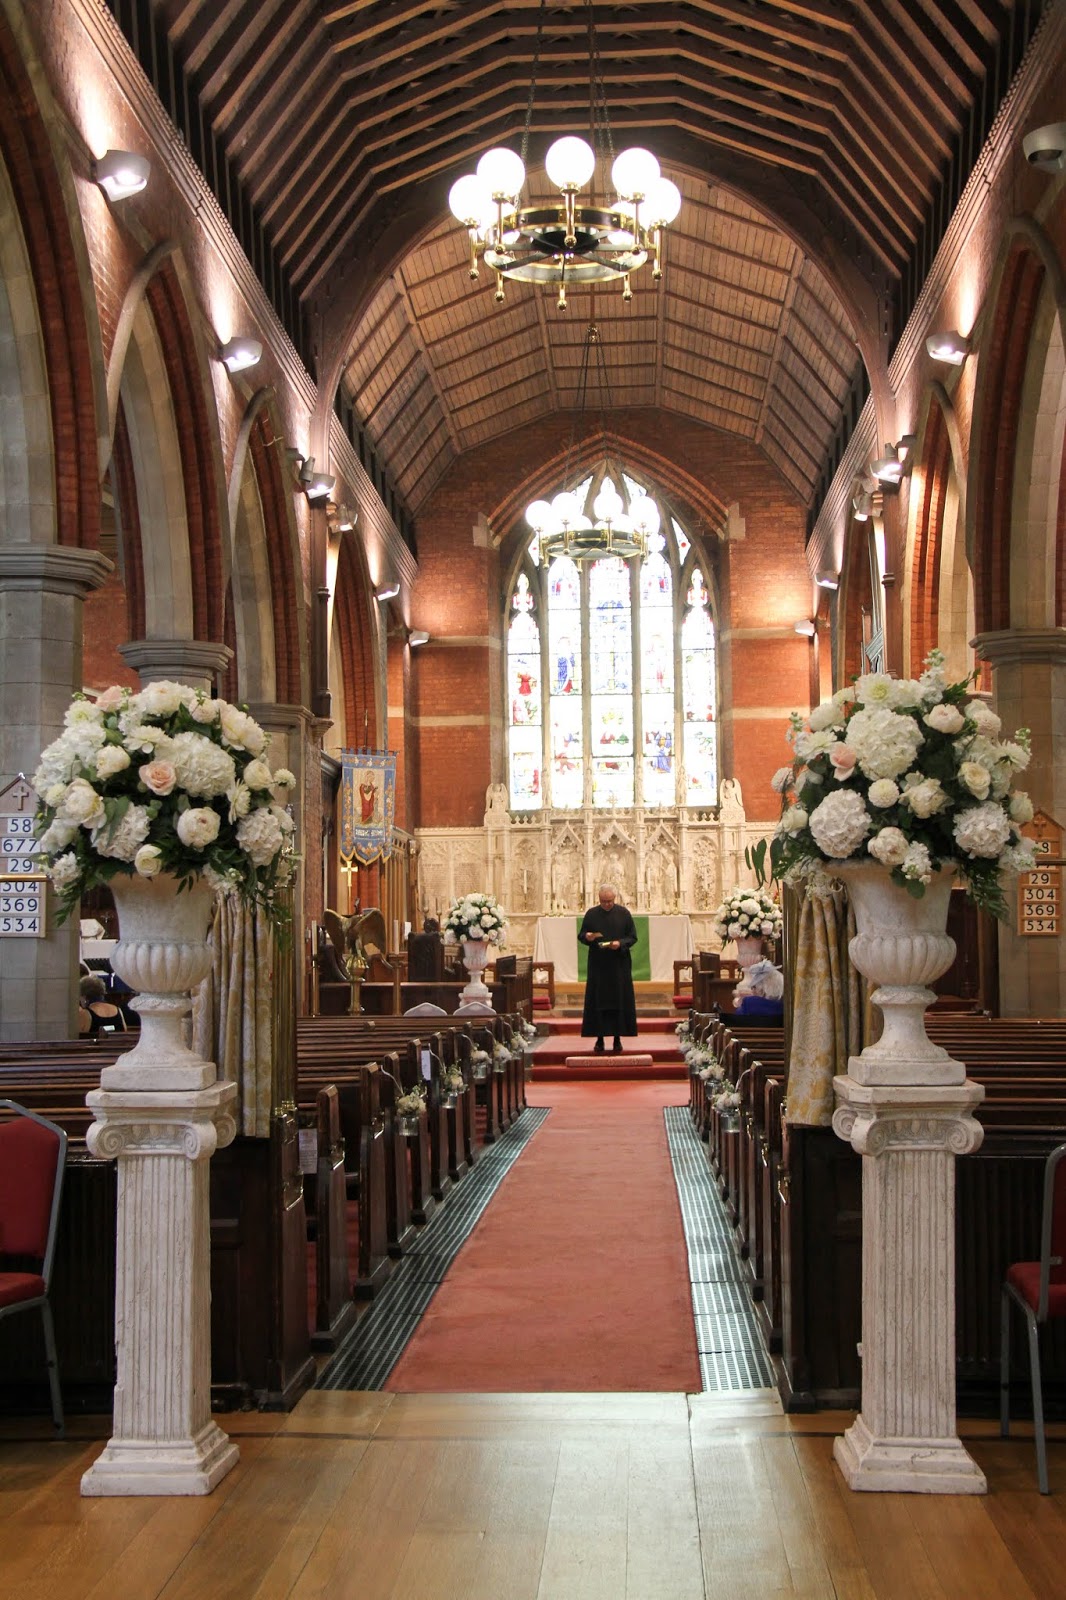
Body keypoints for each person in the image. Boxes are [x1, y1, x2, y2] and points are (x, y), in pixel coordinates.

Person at [578, 884, 638, 1054]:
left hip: (619, 964)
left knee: (618, 1000)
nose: (607, 905)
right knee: (599, 1001)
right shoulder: (591, 914)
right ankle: (599, 1039)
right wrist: (588, 937)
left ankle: (618, 1039)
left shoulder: (624, 914)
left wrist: (620, 943)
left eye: (610, 901)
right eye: (604, 902)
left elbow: (632, 937)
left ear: (615, 899)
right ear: (599, 899)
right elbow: (582, 935)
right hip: (598, 965)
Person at [78, 973, 127, 1037]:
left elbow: (77, 1037)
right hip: (118, 1045)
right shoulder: (118, 1010)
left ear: (84, 996)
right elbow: (124, 1032)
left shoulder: (85, 1013)